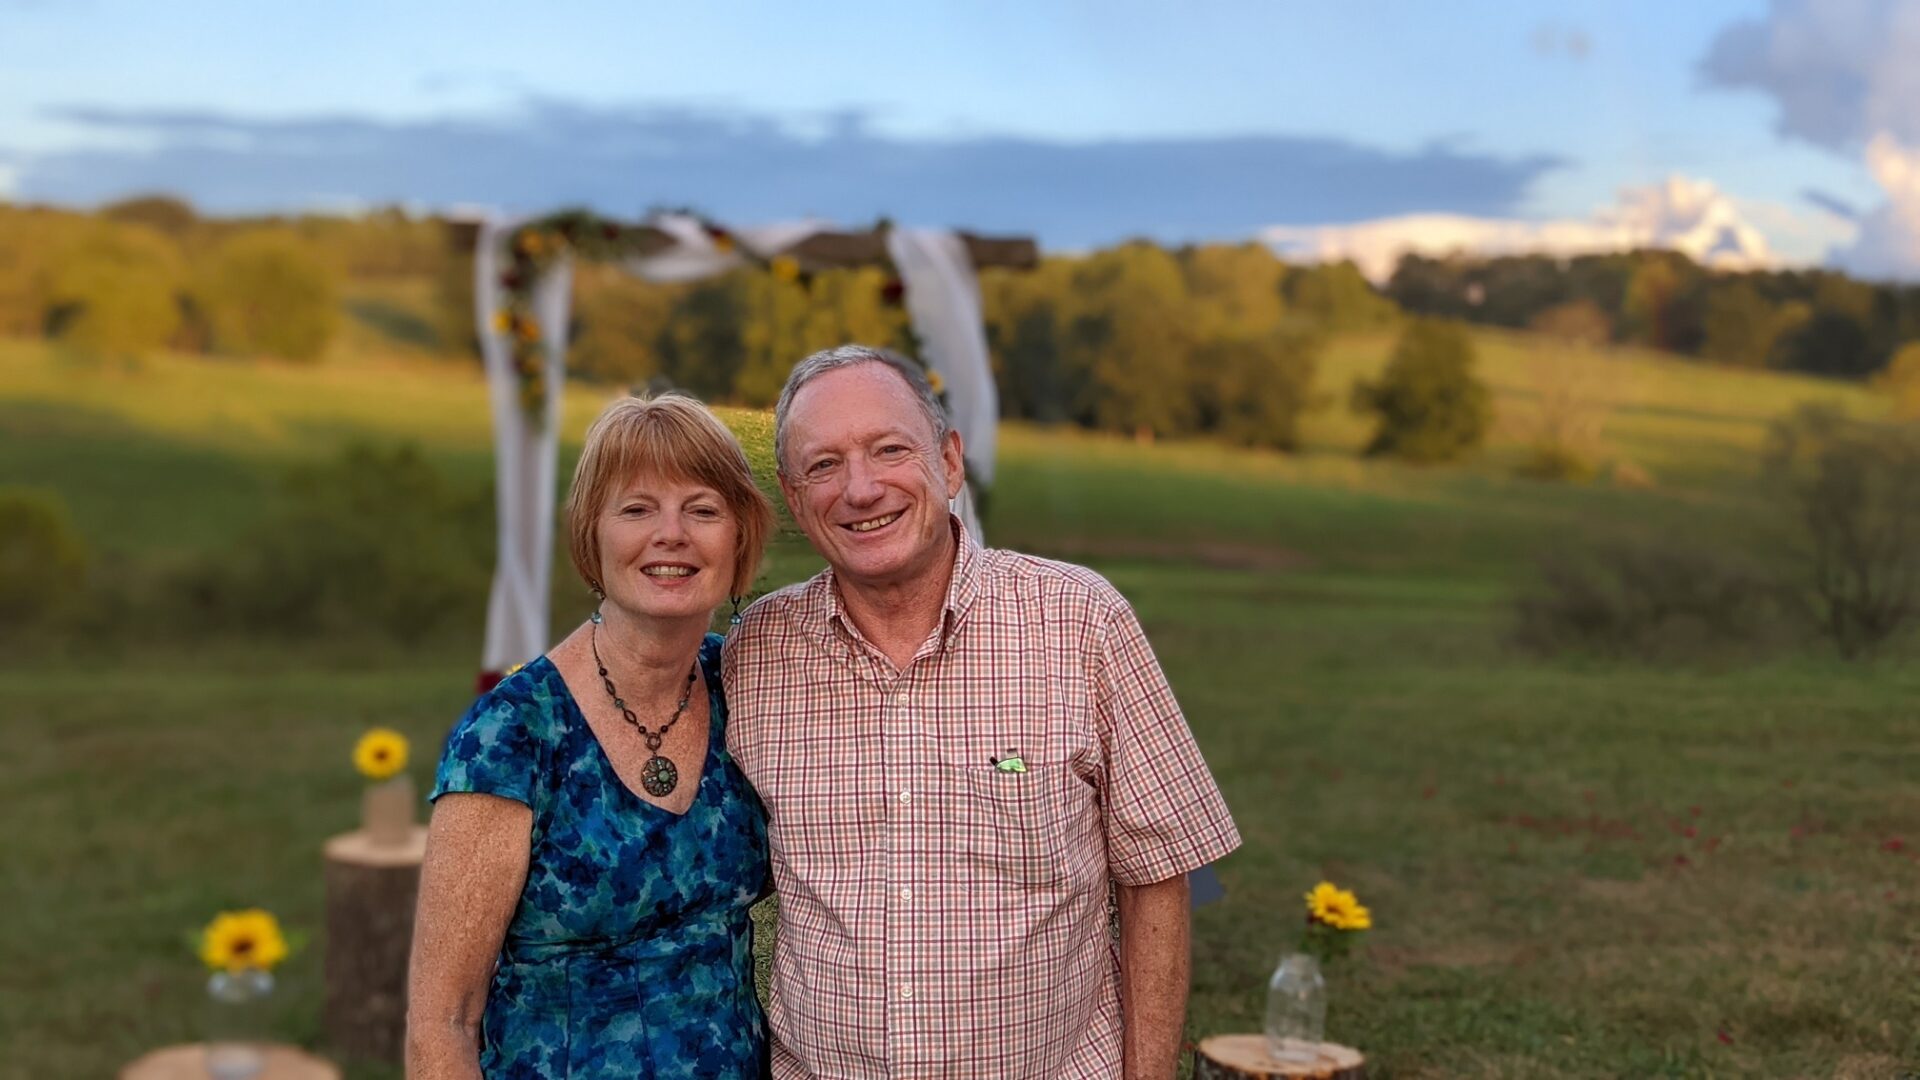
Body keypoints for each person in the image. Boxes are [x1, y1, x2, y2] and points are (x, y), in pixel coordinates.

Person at [724, 345, 1242, 1079]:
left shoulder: (1081, 621)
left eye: (889, 450)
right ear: (794, 496)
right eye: (825, 465)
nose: (862, 489)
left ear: (950, 461)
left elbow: (1157, 874)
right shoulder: (756, 652)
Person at [408, 392, 777, 1079]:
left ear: (738, 537)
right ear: (592, 535)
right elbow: (443, 1020)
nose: (671, 533)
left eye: (702, 509)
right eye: (637, 509)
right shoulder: (512, 736)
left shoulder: (747, 689)